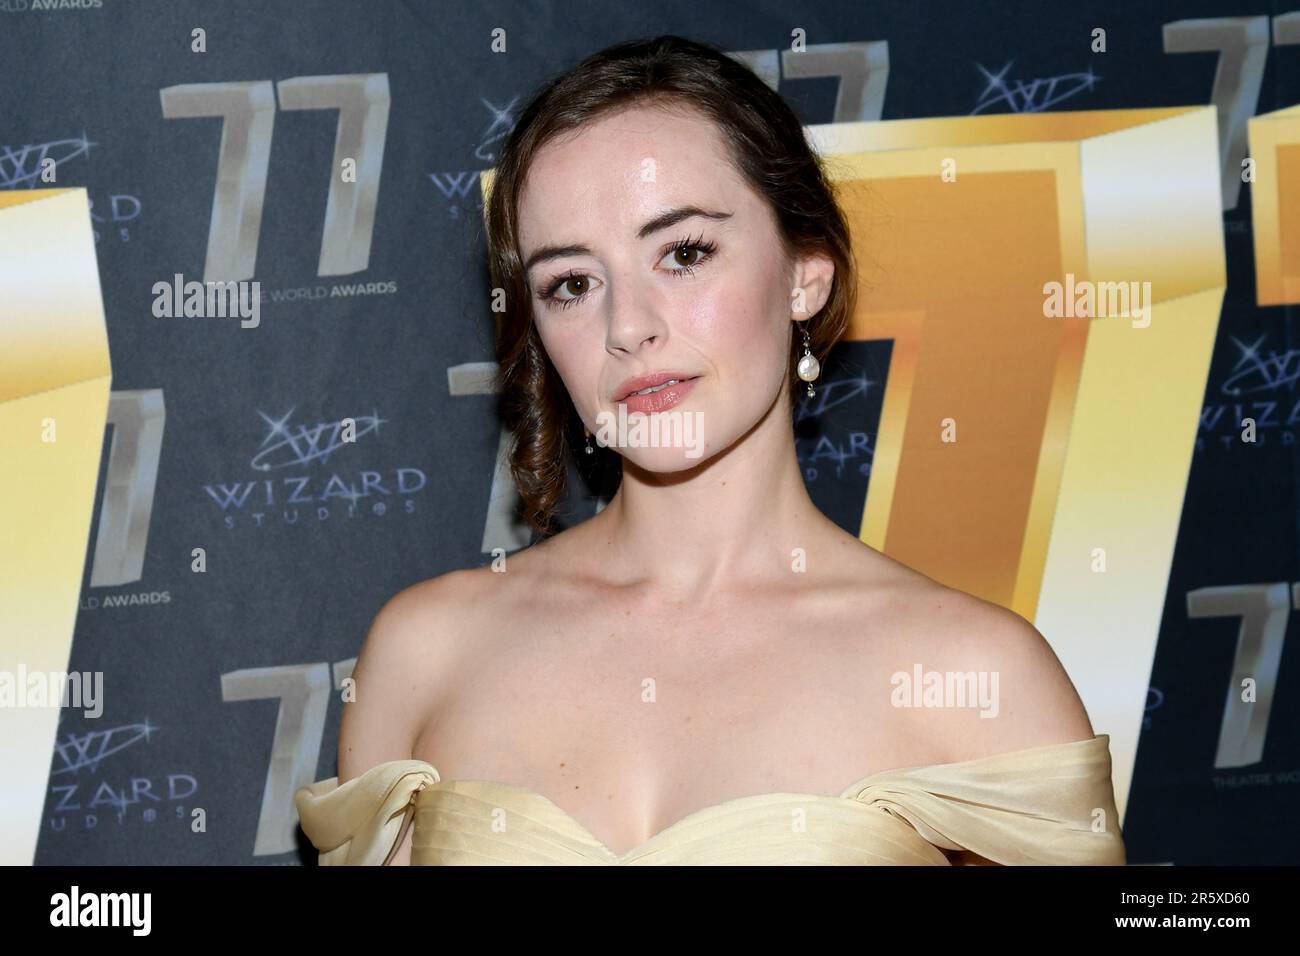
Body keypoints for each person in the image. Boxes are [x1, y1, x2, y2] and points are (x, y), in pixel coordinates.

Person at [294, 34, 1126, 866]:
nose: (628, 327)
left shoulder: (974, 680)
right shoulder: (426, 654)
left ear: (806, 272)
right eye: (572, 283)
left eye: (684, 254)